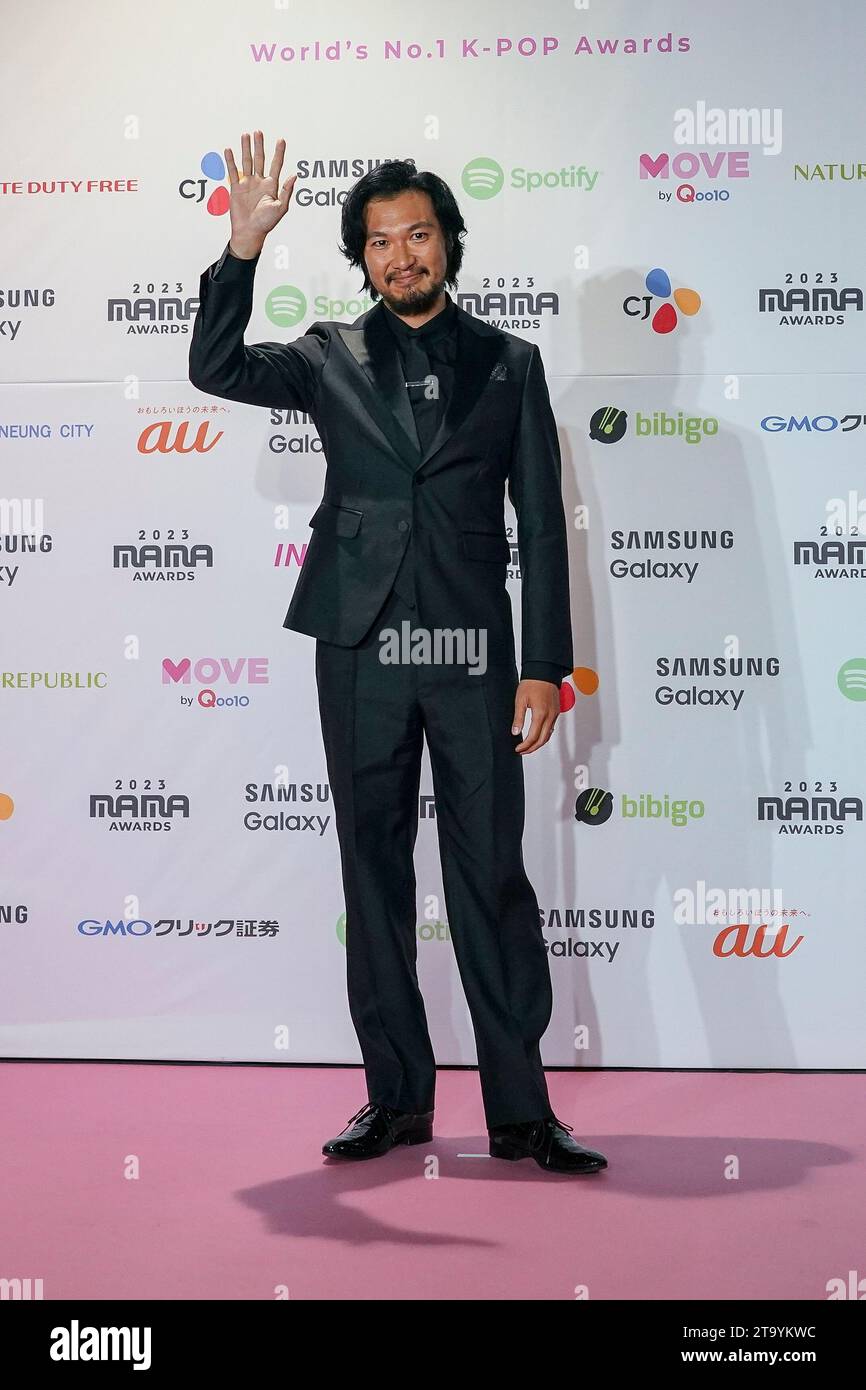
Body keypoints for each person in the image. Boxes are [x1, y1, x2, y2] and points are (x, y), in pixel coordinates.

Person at [189, 132, 607, 1175]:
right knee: (370, 873)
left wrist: (540, 664)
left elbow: (541, 523)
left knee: (488, 873)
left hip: (471, 651)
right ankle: (395, 1099)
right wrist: (240, 252)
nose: (400, 256)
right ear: (360, 258)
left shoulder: (511, 364)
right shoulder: (328, 354)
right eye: (379, 242)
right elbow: (215, 365)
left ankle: (520, 1112)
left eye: (417, 234)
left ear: (449, 242)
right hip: (360, 643)